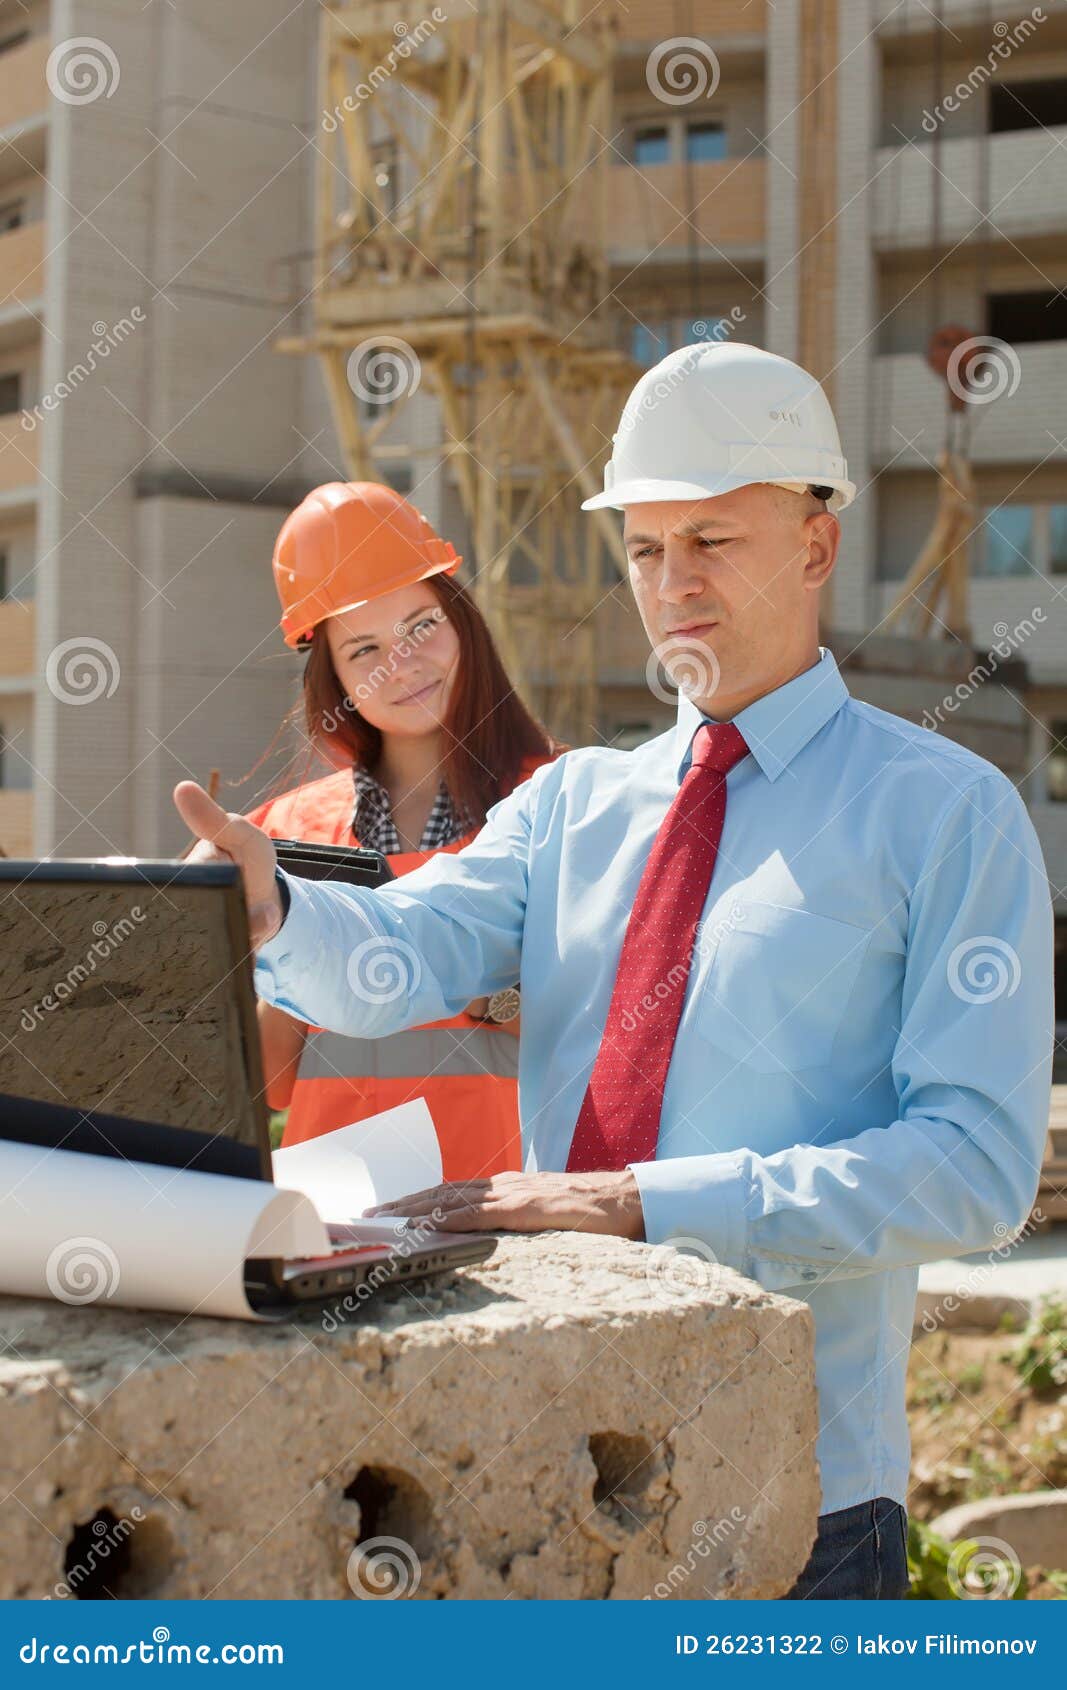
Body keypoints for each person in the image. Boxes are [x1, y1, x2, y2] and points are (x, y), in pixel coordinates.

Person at [175, 342, 1054, 1601]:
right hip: (557, 1460)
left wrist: (642, 1200)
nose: (671, 583)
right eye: (644, 549)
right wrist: (274, 909)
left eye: (711, 540)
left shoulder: (943, 817)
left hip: (793, 1490)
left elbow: (973, 1172)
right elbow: (392, 958)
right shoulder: (575, 802)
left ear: (814, 545)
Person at [244, 480, 560, 1180]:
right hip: (338, 1216)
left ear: (462, 624)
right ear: (331, 674)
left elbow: (623, 1023)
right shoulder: (287, 830)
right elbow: (269, 1079)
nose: (402, 663)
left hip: (518, 1213)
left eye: (421, 626)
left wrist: (487, 996)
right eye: (363, 649)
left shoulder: (568, 800)